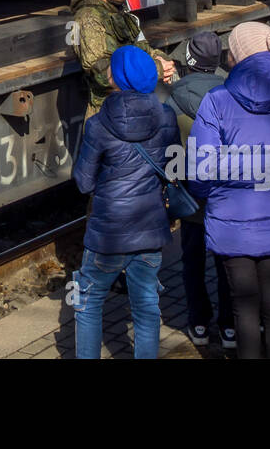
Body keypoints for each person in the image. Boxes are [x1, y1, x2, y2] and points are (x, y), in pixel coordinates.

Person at [187, 22, 270, 359]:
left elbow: (201, 170)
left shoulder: (216, 100)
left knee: (243, 305)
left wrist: (213, 191)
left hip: (229, 220)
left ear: (237, 54)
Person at [71, 46, 179, 359]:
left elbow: (84, 182)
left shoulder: (98, 124)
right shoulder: (167, 117)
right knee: (146, 307)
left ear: (117, 78)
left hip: (107, 235)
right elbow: (175, 172)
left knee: (88, 304)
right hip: (150, 231)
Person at [168, 31, 235, 349]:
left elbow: (169, 153)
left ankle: (197, 322)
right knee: (226, 262)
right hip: (225, 196)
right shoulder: (232, 94)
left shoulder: (174, 97)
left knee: (191, 261)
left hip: (191, 196)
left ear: (189, 61)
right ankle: (229, 326)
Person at [71, 0, 175, 117]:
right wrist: (155, 69)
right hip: (109, 112)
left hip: (133, 106)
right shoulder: (89, 18)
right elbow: (101, 74)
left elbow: (143, 49)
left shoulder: (119, 12)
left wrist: (162, 60)